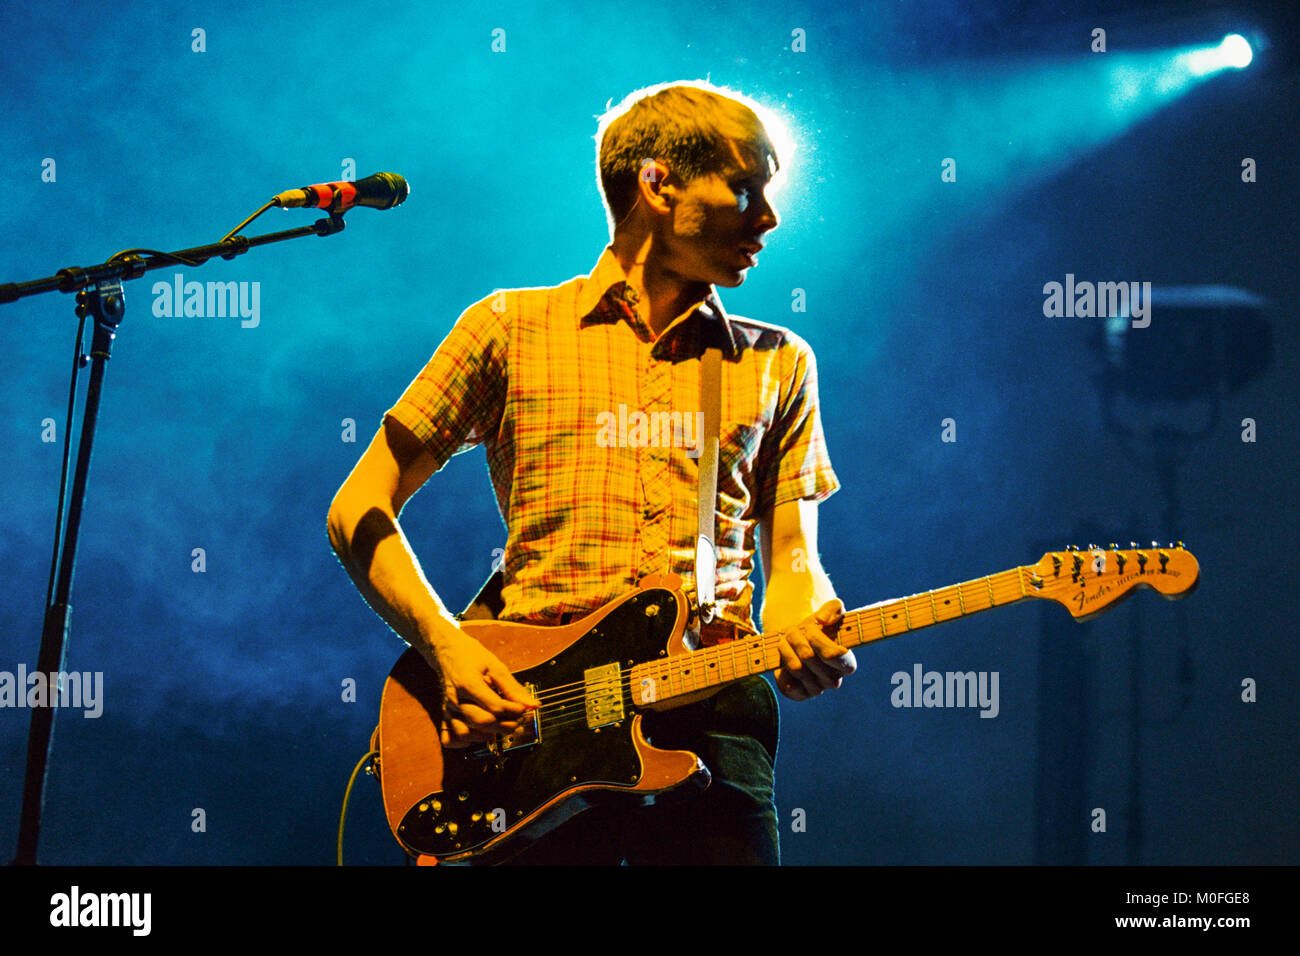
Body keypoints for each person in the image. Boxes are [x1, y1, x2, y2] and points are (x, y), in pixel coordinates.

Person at [327, 80, 856, 865]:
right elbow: (358, 507)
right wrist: (449, 648)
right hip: (530, 722)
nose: (768, 218)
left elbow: (793, 560)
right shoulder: (510, 328)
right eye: (745, 188)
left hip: (712, 712)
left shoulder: (777, 360)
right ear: (657, 182)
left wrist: (802, 627)